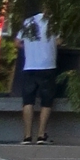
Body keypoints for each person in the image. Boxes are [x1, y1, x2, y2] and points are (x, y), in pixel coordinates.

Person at [16, 9, 57, 144]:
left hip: (29, 66)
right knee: (46, 101)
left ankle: (27, 136)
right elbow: (59, 41)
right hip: (47, 66)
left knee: (28, 101)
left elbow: (17, 42)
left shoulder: (28, 22)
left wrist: (29, 48)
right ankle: (41, 135)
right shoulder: (54, 23)